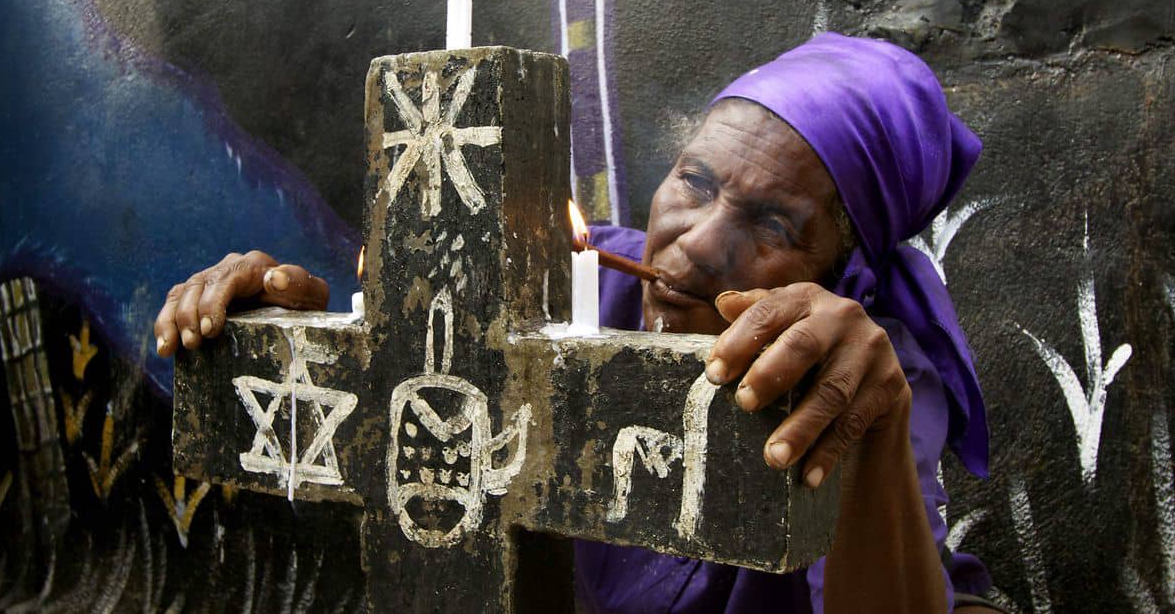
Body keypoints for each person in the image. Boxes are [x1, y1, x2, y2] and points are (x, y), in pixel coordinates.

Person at [155, 33, 1002, 613]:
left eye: (775, 227)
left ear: (840, 268)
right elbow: (404, 381)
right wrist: (283, 332)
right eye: (696, 181)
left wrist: (876, 436)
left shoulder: (864, 369)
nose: (698, 246)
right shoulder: (563, 284)